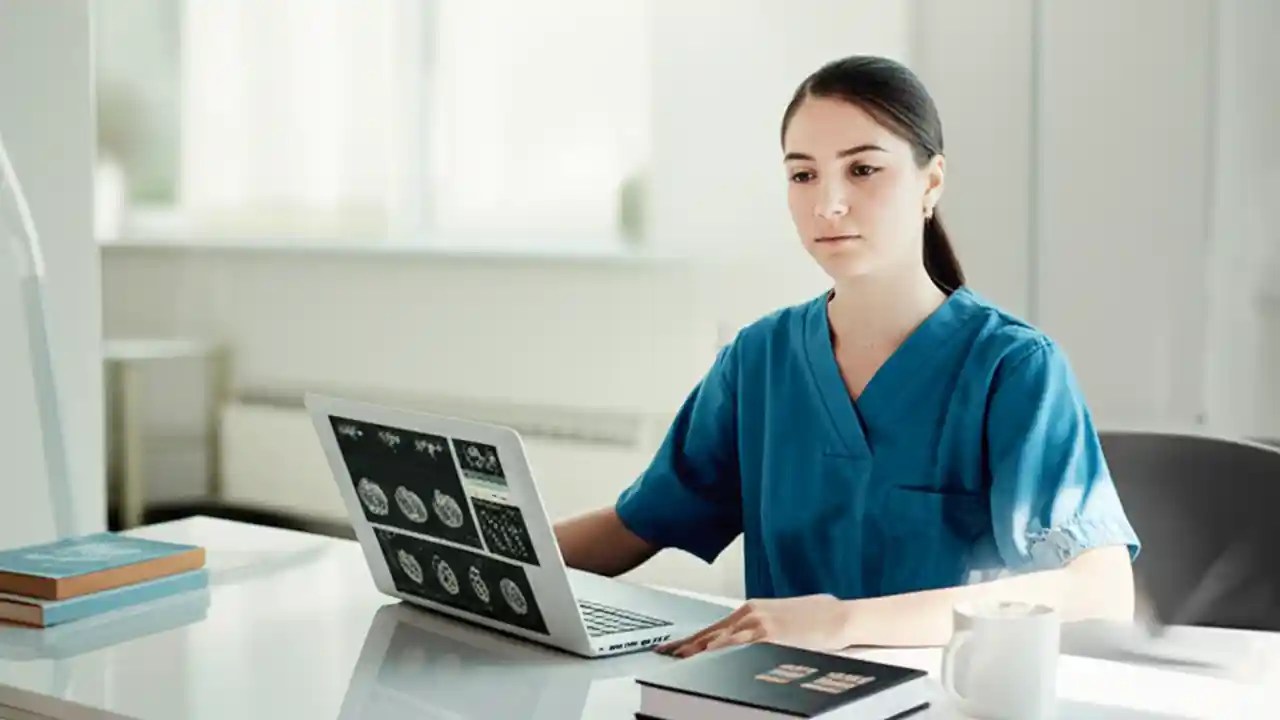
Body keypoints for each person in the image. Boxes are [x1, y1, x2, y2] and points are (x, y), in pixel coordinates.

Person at [553, 55, 1141, 658]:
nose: (828, 205)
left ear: (931, 182)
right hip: (773, 693)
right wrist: (480, 557)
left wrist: (840, 623)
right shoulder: (760, 359)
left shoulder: (1011, 368)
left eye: (862, 169)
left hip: (944, 694)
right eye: (803, 176)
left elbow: (1100, 589)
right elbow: (636, 525)